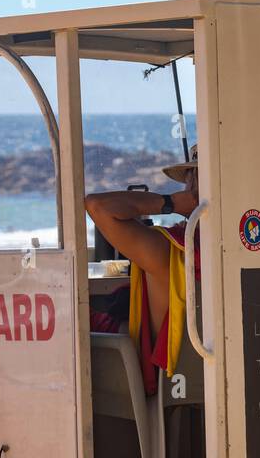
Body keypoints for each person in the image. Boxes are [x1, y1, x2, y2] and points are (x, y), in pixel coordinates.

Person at [84, 146, 200, 395]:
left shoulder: (169, 253)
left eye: (190, 178)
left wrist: (170, 202)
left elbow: (97, 207)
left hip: (163, 387)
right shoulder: (247, 256)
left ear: (193, 189)